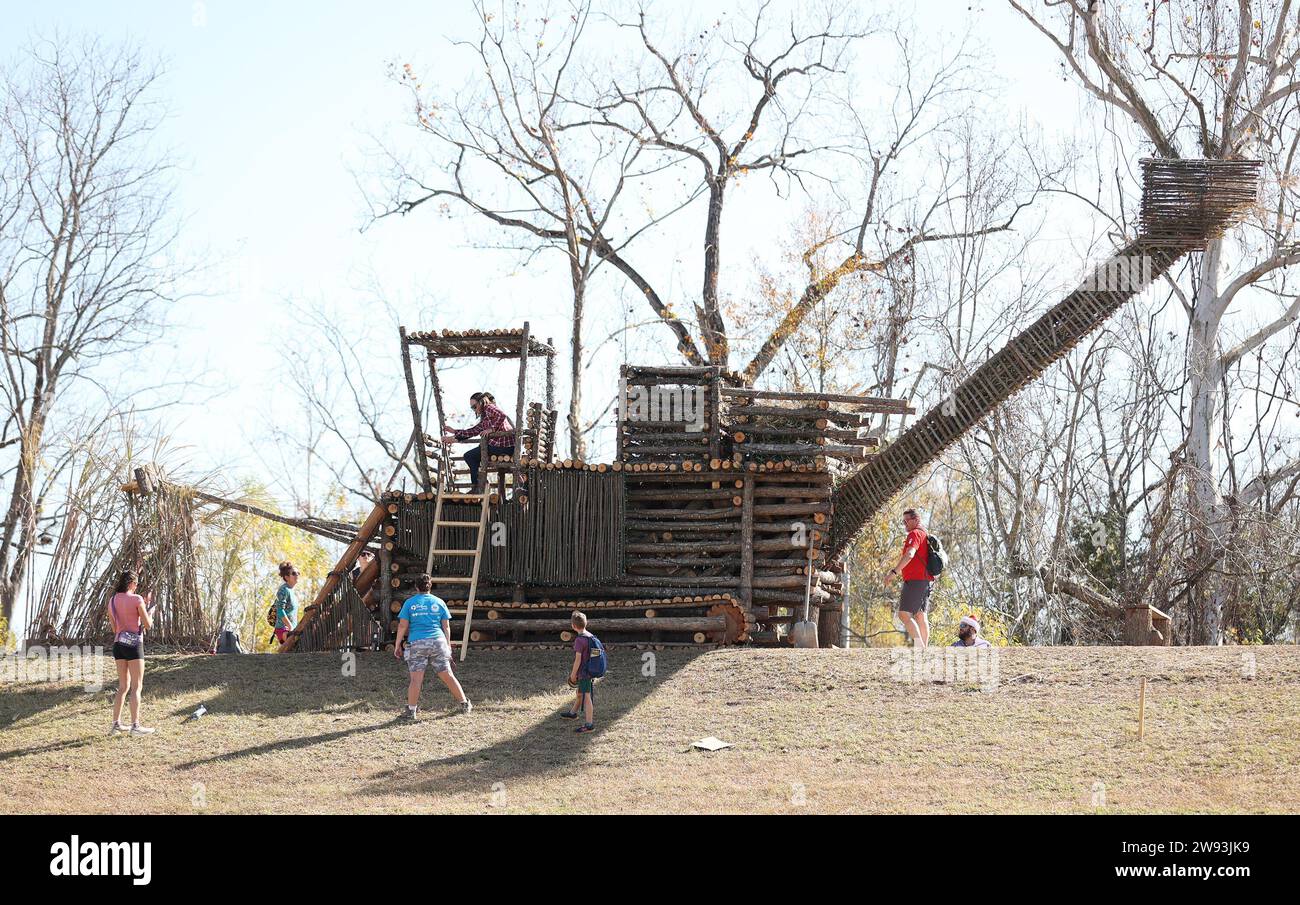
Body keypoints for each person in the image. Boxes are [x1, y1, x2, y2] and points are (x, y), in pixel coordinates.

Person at [394, 573, 471, 720]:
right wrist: (447, 645)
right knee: (448, 675)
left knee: (416, 680)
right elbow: (446, 626)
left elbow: (403, 625)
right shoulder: (439, 602)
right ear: (430, 586)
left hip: (417, 643)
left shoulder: (410, 603)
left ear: (416, 587)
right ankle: (464, 704)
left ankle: (411, 711)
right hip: (438, 642)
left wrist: (397, 644)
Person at [108, 570, 157, 736]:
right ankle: (135, 726)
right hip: (134, 645)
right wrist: (150, 614)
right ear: (131, 583)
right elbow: (147, 625)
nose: (136, 587)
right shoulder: (137, 599)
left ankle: (116, 724)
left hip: (118, 644)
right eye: (136, 584)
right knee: (137, 686)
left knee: (123, 686)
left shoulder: (112, 601)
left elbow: (115, 628)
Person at [442, 391, 515, 489]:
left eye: (474, 406)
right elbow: (472, 431)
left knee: (470, 456)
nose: (474, 410)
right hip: (499, 447)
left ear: (481, 402)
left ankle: (477, 486)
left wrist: (492, 429)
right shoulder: (485, 419)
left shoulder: (489, 407)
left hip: (505, 447)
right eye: (472, 408)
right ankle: (479, 483)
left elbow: (502, 415)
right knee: (471, 455)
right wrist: (454, 431)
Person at [883, 507, 932, 649]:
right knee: (921, 615)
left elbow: (910, 554)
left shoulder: (915, 534)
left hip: (915, 580)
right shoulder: (924, 534)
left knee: (904, 614)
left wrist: (894, 572)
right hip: (924, 580)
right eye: (903, 521)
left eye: (907, 521)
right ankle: (924, 649)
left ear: (916, 520)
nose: (904, 524)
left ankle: (920, 647)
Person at [561, 611, 596, 734]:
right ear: (586, 623)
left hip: (584, 673)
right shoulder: (591, 636)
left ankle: (589, 724)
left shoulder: (580, 640)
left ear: (573, 626)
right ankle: (573, 713)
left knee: (586, 696)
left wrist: (573, 674)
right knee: (580, 693)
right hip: (590, 669)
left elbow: (578, 659)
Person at [272, 561, 299, 646]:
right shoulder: (283, 590)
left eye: (298, 573)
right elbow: (280, 610)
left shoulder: (292, 591)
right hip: (283, 629)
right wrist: (290, 626)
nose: (297, 575)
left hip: (291, 629)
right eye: (294, 573)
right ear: (286, 577)